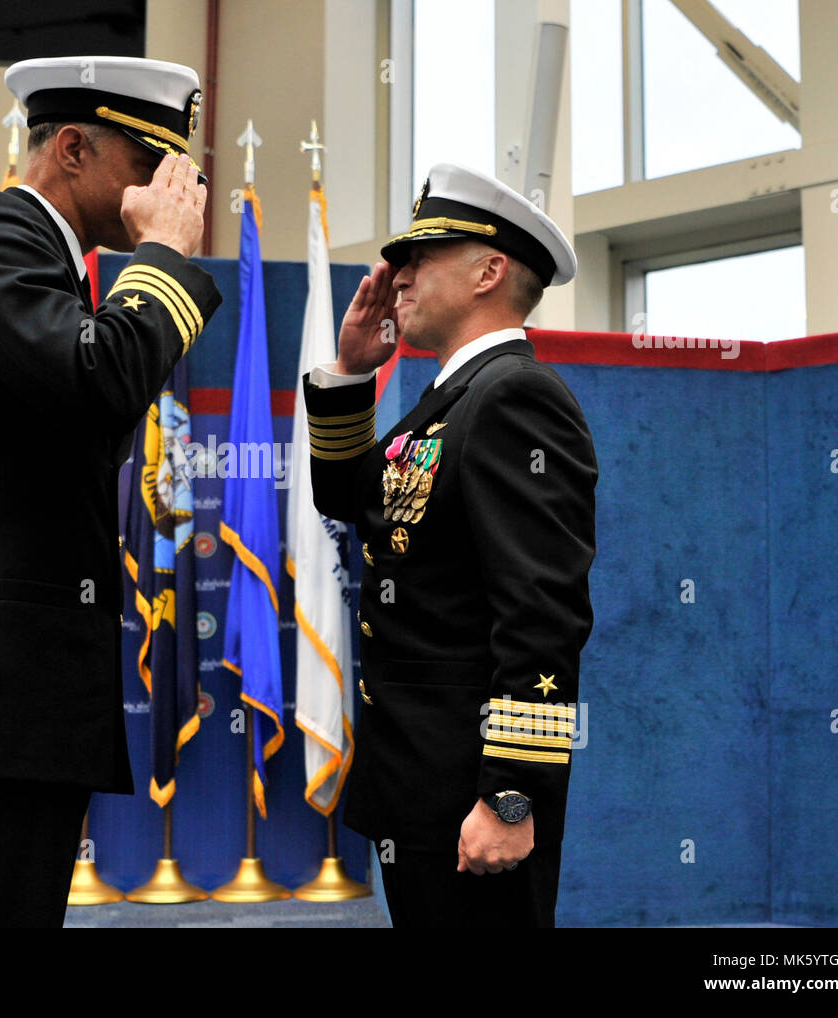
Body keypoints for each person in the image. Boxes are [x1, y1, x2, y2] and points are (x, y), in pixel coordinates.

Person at [0, 55, 221, 927]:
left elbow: (86, 418)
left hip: (10, 699)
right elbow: (100, 376)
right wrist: (168, 254)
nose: (165, 193)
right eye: (148, 167)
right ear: (71, 147)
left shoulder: (49, 265)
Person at [303, 163, 598, 928]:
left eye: (420, 257)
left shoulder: (515, 399)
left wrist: (511, 797)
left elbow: (542, 615)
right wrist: (350, 375)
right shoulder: (449, 401)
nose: (396, 275)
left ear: (489, 272)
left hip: (472, 792)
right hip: (419, 779)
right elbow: (355, 503)